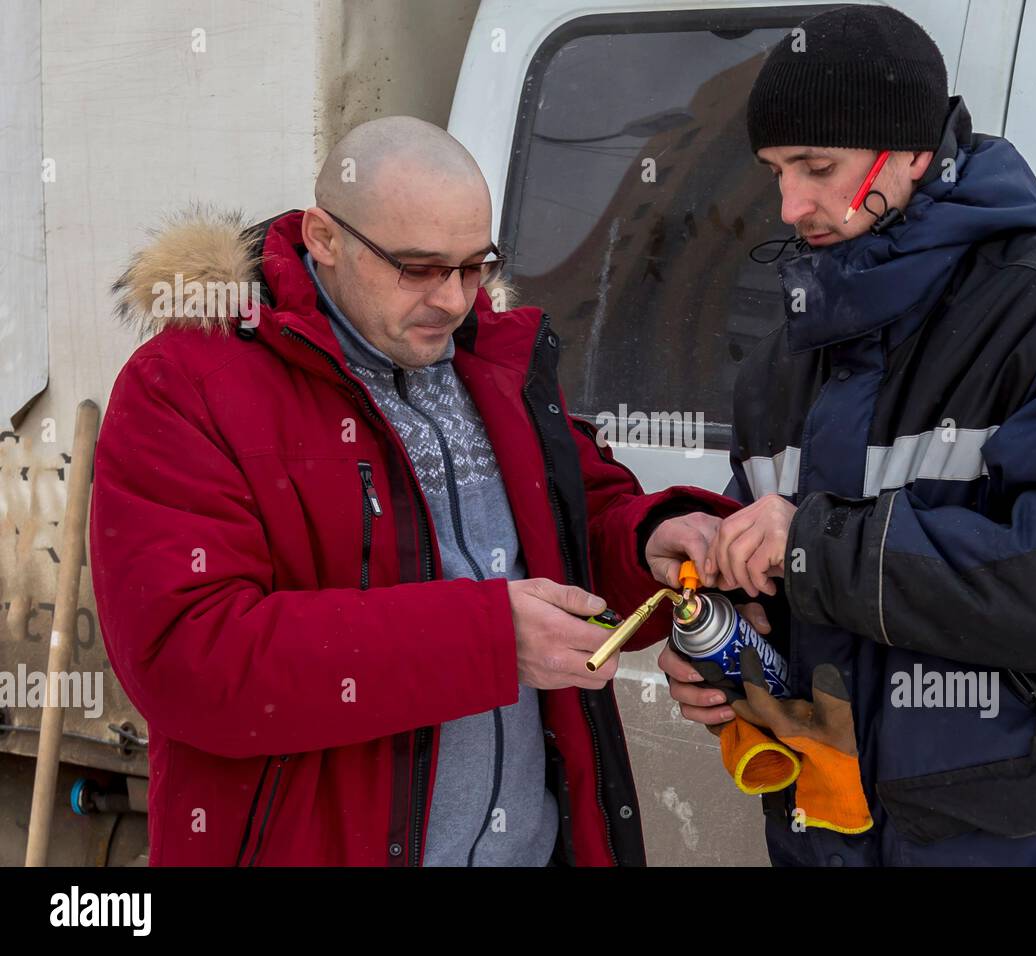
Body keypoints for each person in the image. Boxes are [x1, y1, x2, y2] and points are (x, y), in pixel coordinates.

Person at [653, 4, 1036, 866]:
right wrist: (732, 635)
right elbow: (791, 572)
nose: (789, 202)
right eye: (774, 170)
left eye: (816, 166)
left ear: (915, 153)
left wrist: (815, 549)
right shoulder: (785, 358)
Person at [90, 116, 729, 866]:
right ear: (326, 238)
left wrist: (650, 538)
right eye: (420, 268)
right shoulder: (188, 385)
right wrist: (487, 640)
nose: (455, 300)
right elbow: (190, 659)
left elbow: (575, 529)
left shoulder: (494, 360)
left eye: (472, 266)